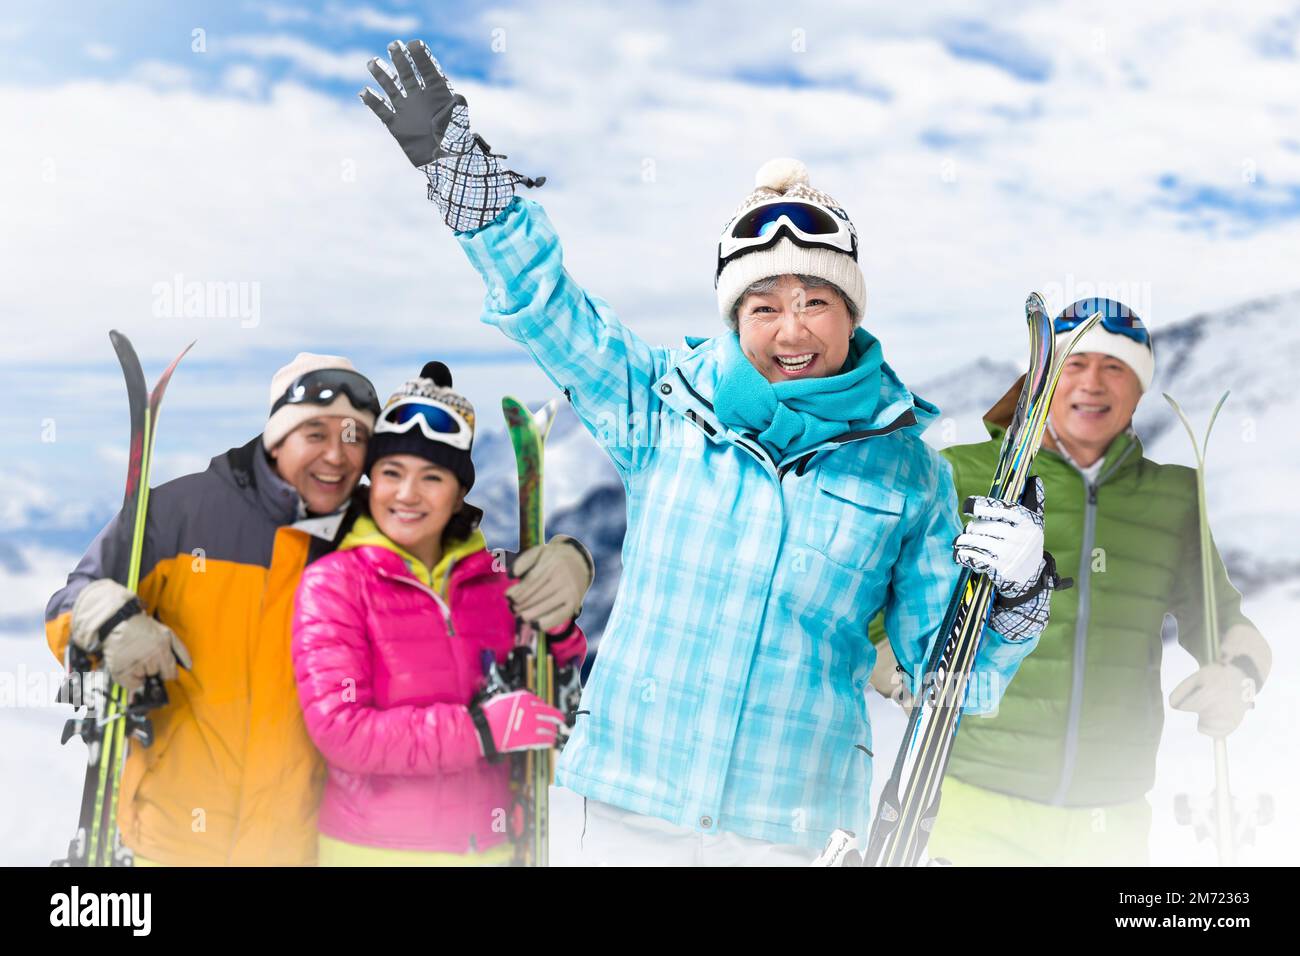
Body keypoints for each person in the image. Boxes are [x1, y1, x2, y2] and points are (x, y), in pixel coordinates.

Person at [355, 39, 1065, 866]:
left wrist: (1017, 593)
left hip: (789, 834)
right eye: (762, 304)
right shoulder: (662, 408)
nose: (791, 329)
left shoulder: (906, 472)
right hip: (621, 812)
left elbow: (950, 685)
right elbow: (547, 305)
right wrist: (461, 174)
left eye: (814, 300)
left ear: (852, 312)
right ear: (734, 317)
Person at [871, 298, 1272, 865]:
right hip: (968, 801)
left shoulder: (1173, 498)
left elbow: (1225, 624)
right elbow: (869, 594)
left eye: (1117, 368)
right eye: (1075, 365)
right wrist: (895, 669)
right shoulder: (959, 471)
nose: (1094, 383)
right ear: (1041, 381)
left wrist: (1239, 678)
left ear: (1139, 391)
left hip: (1111, 821)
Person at [44, 353, 379, 865]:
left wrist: (541, 566)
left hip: (305, 849)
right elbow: (72, 602)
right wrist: (108, 621)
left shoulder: (379, 540)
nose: (336, 455)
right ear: (277, 436)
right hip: (168, 843)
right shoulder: (179, 514)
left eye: (354, 437)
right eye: (315, 433)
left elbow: (466, 586)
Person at [291, 362, 592, 865]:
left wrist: (558, 621)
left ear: (458, 496)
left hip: (494, 848)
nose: (407, 494)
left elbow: (554, 684)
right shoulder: (336, 584)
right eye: (392, 474)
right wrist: (479, 730)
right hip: (375, 852)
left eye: (432, 477)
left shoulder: (494, 583)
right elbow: (340, 731)